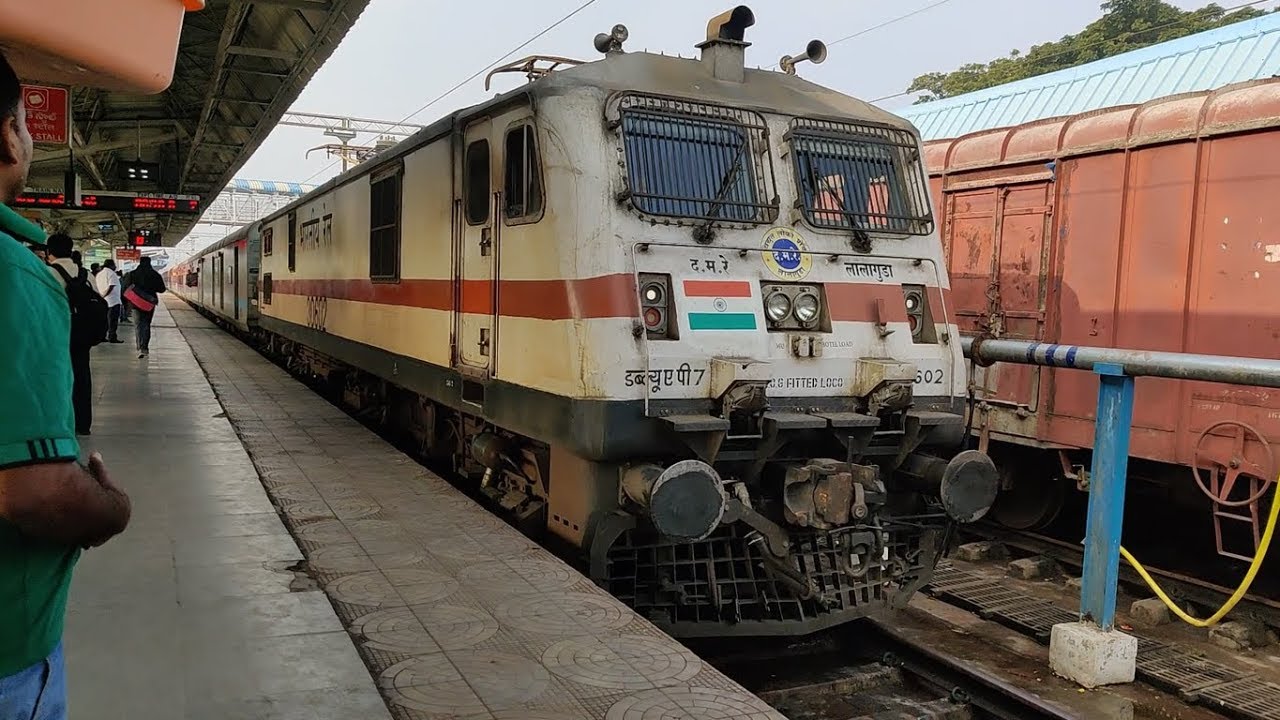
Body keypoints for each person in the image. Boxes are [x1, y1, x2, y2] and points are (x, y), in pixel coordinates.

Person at [0, 49, 132, 720]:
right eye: (25, 120)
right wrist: (111, 508)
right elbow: (37, 495)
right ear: (7, 135)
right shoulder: (17, 278)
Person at [45, 234, 93, 436]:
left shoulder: (45, 272)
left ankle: (58, 422)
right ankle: (82, 424)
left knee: (54, 376)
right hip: (81, 333)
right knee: (82, 376)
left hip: (54, 333)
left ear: (49, 252)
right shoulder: (85, 273)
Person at [127, 255, 165, 359]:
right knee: (146, 324)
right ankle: (145, 348)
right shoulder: (155, 274)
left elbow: (126, 288)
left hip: (135, 302)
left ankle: (139, 347)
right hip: (149, 302)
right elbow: (162, 289)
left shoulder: (132, 274)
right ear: (149, 262)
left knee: (138, 325)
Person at [94, 259, 123, 343]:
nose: (115, 266)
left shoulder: (99, 274)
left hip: (103, 301)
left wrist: (101, 296)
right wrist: (105, 295)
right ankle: (112, 337)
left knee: (104, 320)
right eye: (114, 265)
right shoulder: (111, 273)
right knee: (113, 321)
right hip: (113, 301)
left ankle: (102, 337)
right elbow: (111, 286)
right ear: (110, 265)